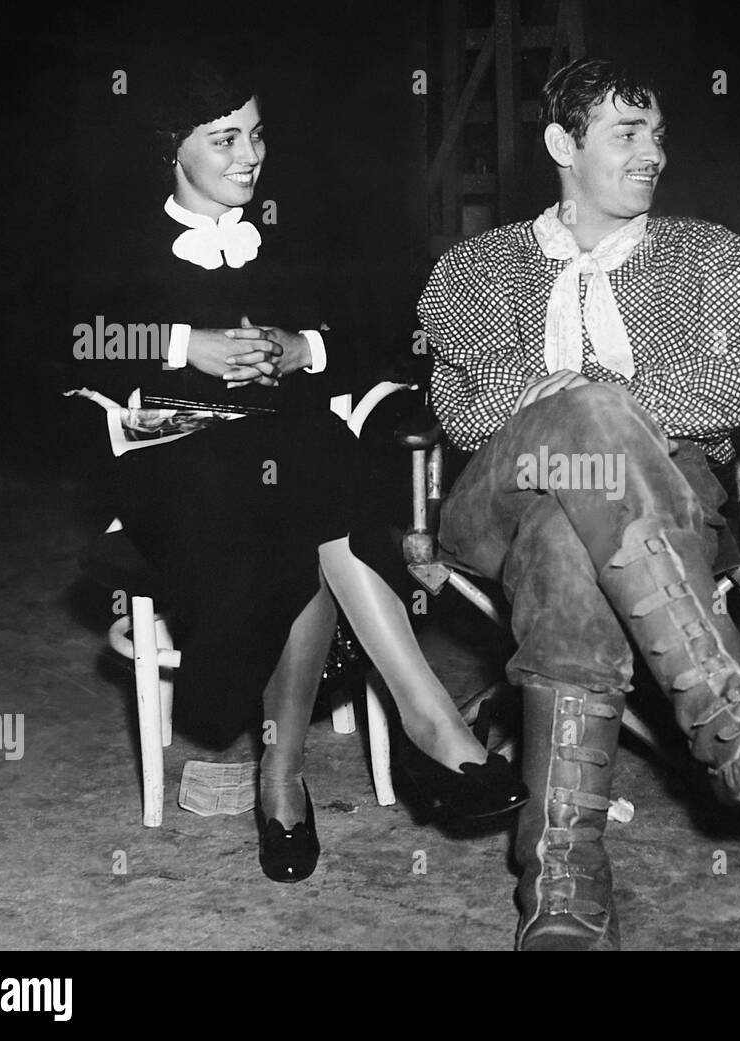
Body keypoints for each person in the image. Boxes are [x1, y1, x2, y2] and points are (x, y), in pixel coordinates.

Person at [65, 59, 525, 884]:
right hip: (175, 461)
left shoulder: (294, 231)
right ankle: (420, 731)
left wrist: (300, 347)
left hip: (289, 450)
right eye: (226, 138)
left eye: (258, 132)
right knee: (313, 479)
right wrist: (180, 346)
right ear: (174, 149)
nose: (251, 155)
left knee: (311, 471)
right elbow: (58, 345)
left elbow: (387, 338)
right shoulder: (113, 240)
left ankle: (294, 775)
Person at [418, 57, 740, 951]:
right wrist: (584, 405)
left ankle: (562, 882)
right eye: (627, 135)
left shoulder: (713, 256)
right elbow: (459, 402)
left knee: (572, 538)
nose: (654, 155)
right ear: (562, 144)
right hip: (500, 496)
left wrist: (592, 394)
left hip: (668, 508)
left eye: (658, 135)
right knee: (587, 420)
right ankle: (727, 719)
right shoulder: (477, 267)